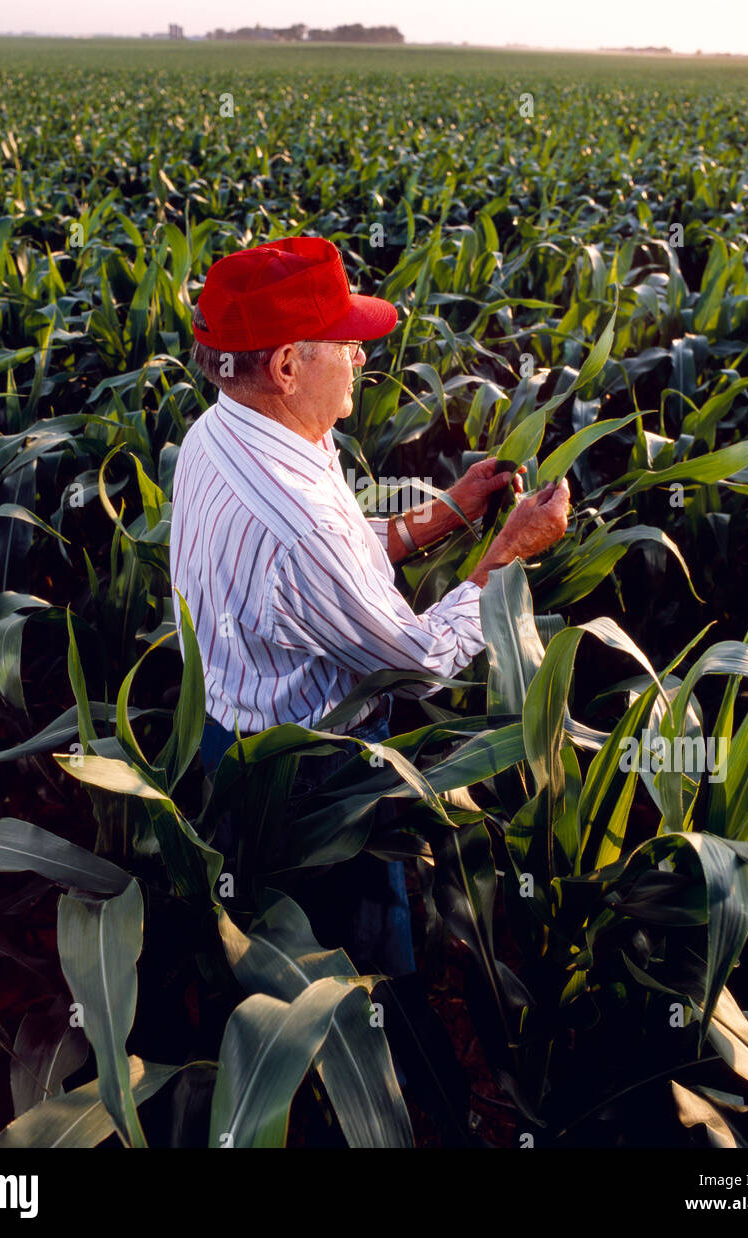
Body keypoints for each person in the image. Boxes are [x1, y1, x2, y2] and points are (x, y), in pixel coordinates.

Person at [170, 235, 571, 976]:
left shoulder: (224, 430)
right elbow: (416, 665)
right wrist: (508, 553)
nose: (361, 357)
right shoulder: (298, 522)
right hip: (310, 779)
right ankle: (369, 1073)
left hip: (228, 737)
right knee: (357, 975)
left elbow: (338, 556)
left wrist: (450, 509)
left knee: (273, 930)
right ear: (287, 366)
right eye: (345, 342)